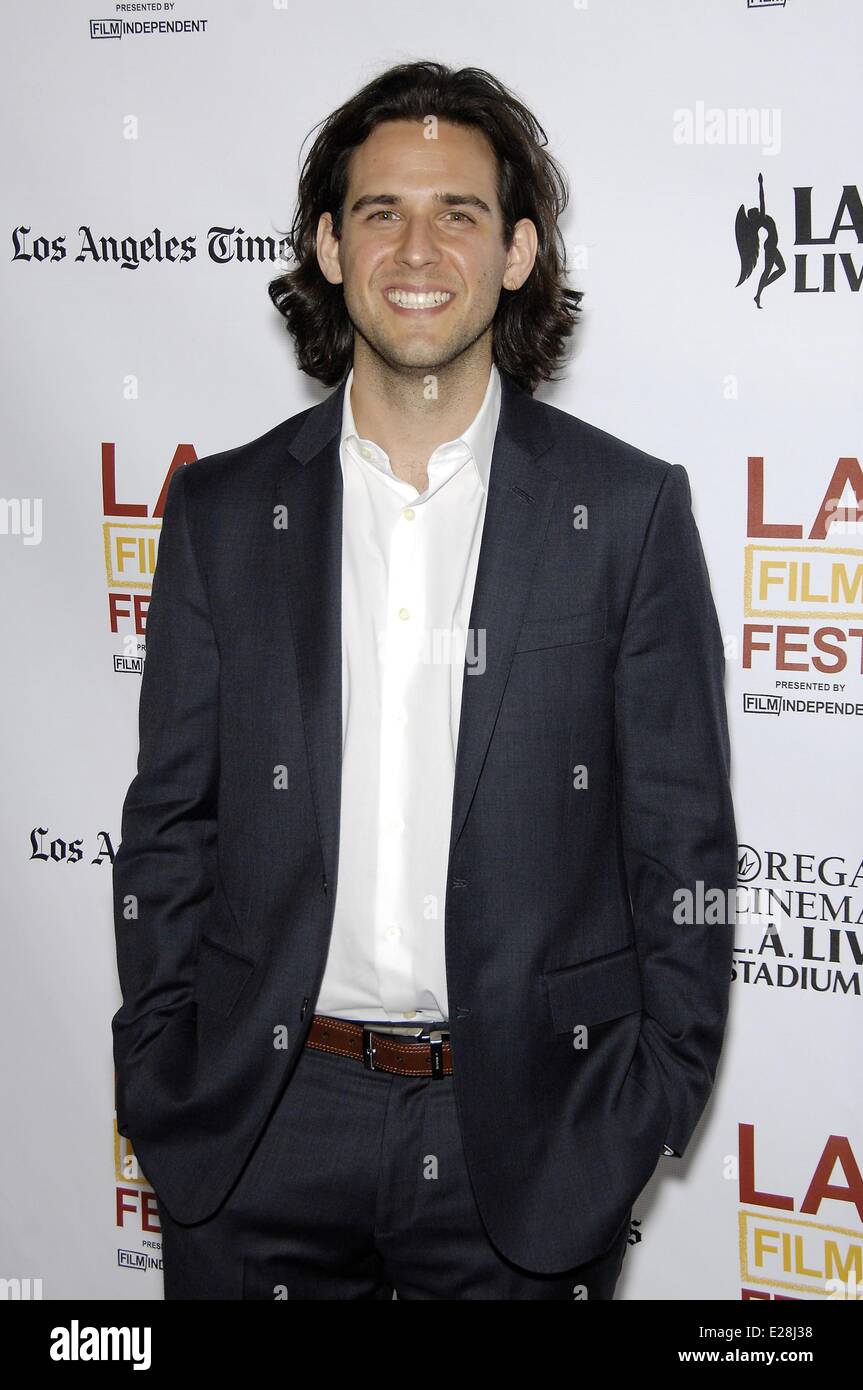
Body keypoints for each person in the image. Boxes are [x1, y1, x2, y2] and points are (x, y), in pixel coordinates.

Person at [112, 60, 737, 1300]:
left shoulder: (621, 510)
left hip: (525, 1133)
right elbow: (171, 823)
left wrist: (646, 1103)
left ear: (514, 254)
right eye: (380, 210)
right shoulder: (222, 508)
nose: (417, 245)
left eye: (457, 212)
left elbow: (684, 850)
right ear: (327, 247)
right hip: (257, 1124)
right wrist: (162, 1054)